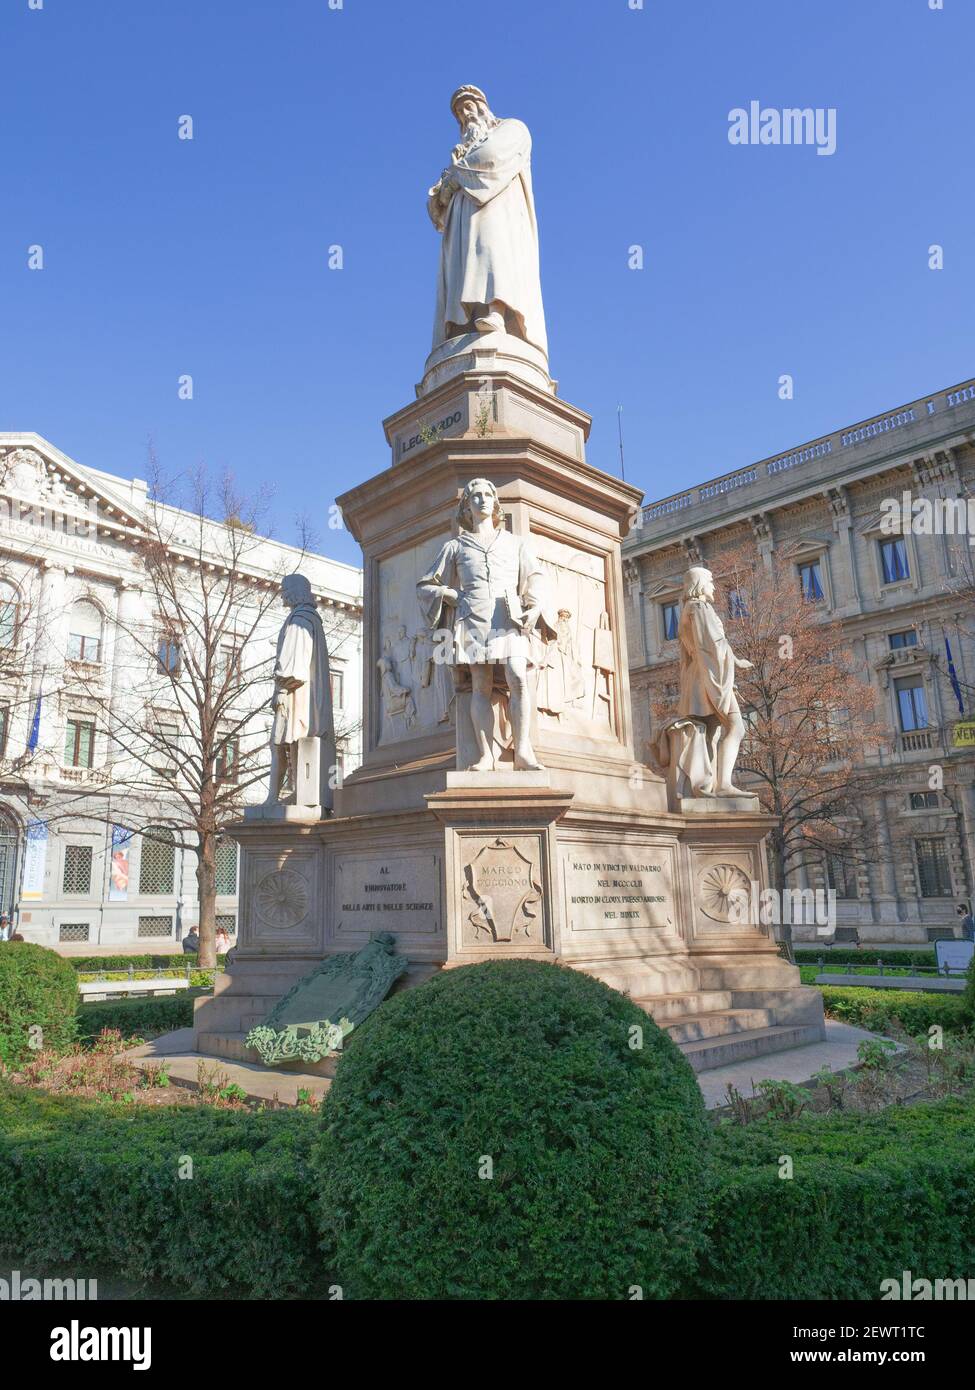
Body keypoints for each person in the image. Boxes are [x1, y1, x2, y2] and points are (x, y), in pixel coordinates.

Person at [417, 477, 556, 771]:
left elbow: (535, 577)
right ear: (466, 506)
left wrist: (535, 606)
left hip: (508, 614)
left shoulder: (515, 543)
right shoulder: (455, 546)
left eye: (486, 495)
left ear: (495, 503)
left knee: (517, 676)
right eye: (474, 496)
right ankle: (486, 755)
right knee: (480, 684)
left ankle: (524, 751)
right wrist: (450, 594)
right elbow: (426, 585)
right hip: (472, 617)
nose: (481, 500)